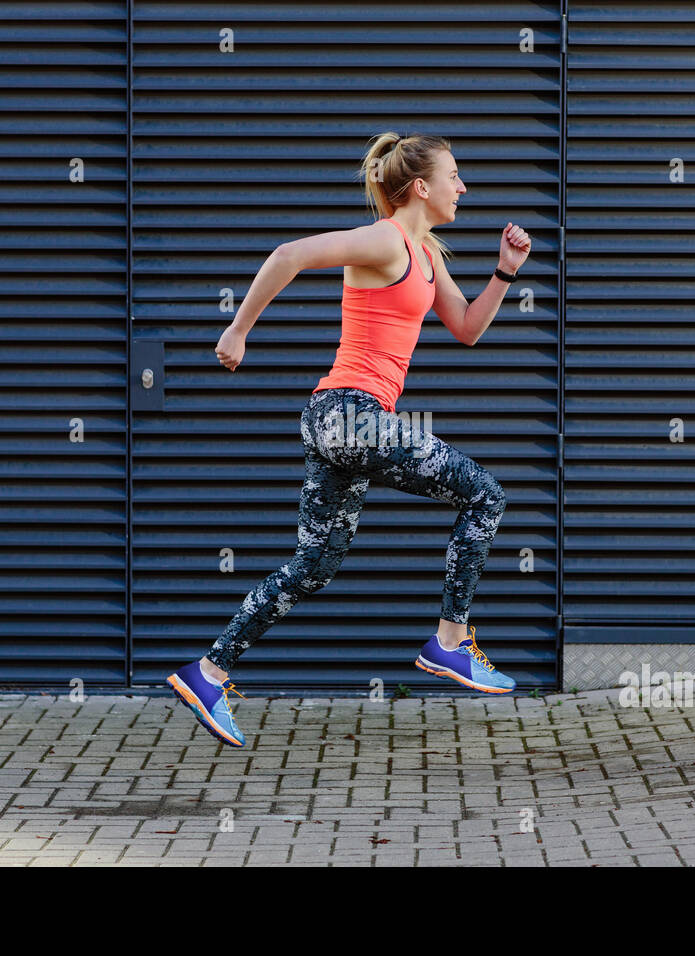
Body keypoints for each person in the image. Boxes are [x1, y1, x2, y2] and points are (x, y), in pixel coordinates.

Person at [167, 131, 532, 747]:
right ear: (421, 187)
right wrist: (237, 331)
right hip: (349, 415)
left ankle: (208, 672)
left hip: (343, 423)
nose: (463, 187)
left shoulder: (427, 254)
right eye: (455, 176)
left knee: (314, 566)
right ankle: (450, 642)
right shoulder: (386, 239)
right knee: (486, 497)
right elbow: (287, 254)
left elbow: (467, 328)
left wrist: (504, 272)